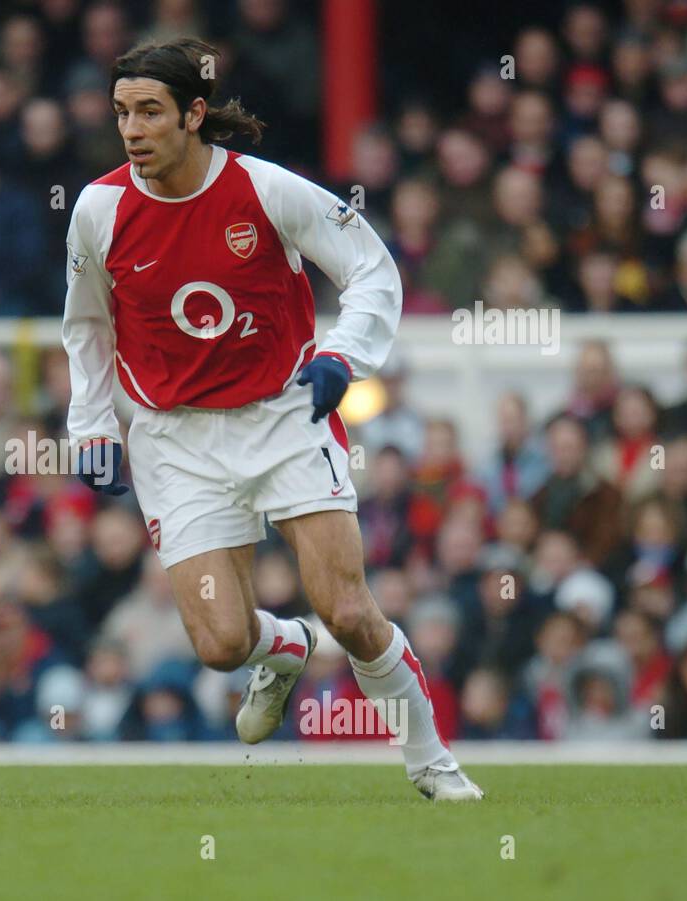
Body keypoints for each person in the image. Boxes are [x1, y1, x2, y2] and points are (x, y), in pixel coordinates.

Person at [61, 38, 482, 800]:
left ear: (193, 114)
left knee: (349, 611)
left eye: (150, 112)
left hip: (282, 412)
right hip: (173, 435)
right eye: (122, 113)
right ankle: (283, 648)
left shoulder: (267, 191)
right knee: (222, 645)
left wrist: (342, 356)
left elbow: (371, 269)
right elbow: (87, 327)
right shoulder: (97, 210)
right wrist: (90, 426)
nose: (132, 129)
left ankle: (431, 763)